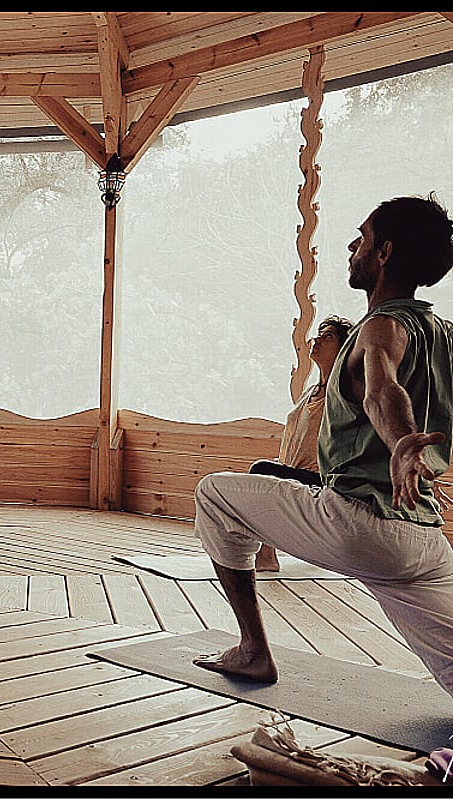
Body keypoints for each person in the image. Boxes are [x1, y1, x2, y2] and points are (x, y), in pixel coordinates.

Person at [191, 195, 453, 707]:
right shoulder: (445, 336)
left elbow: (382, 389)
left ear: (385, 254)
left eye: (363, 238)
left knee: (214, 495)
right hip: (425, 539)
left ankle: (252, 651)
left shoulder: (378, 327)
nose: (353, 247)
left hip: (358, 523)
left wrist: (400, 442)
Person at [248, 314, 353, 571]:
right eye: (318, 334)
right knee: (263, 473)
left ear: (343, 348)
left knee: (261, 470)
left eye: (328, 336)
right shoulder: (311, 391)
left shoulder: (343, 392)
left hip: (320, 479)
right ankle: (257, 551)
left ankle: (266, 554)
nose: (317, 340)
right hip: (296, 470)